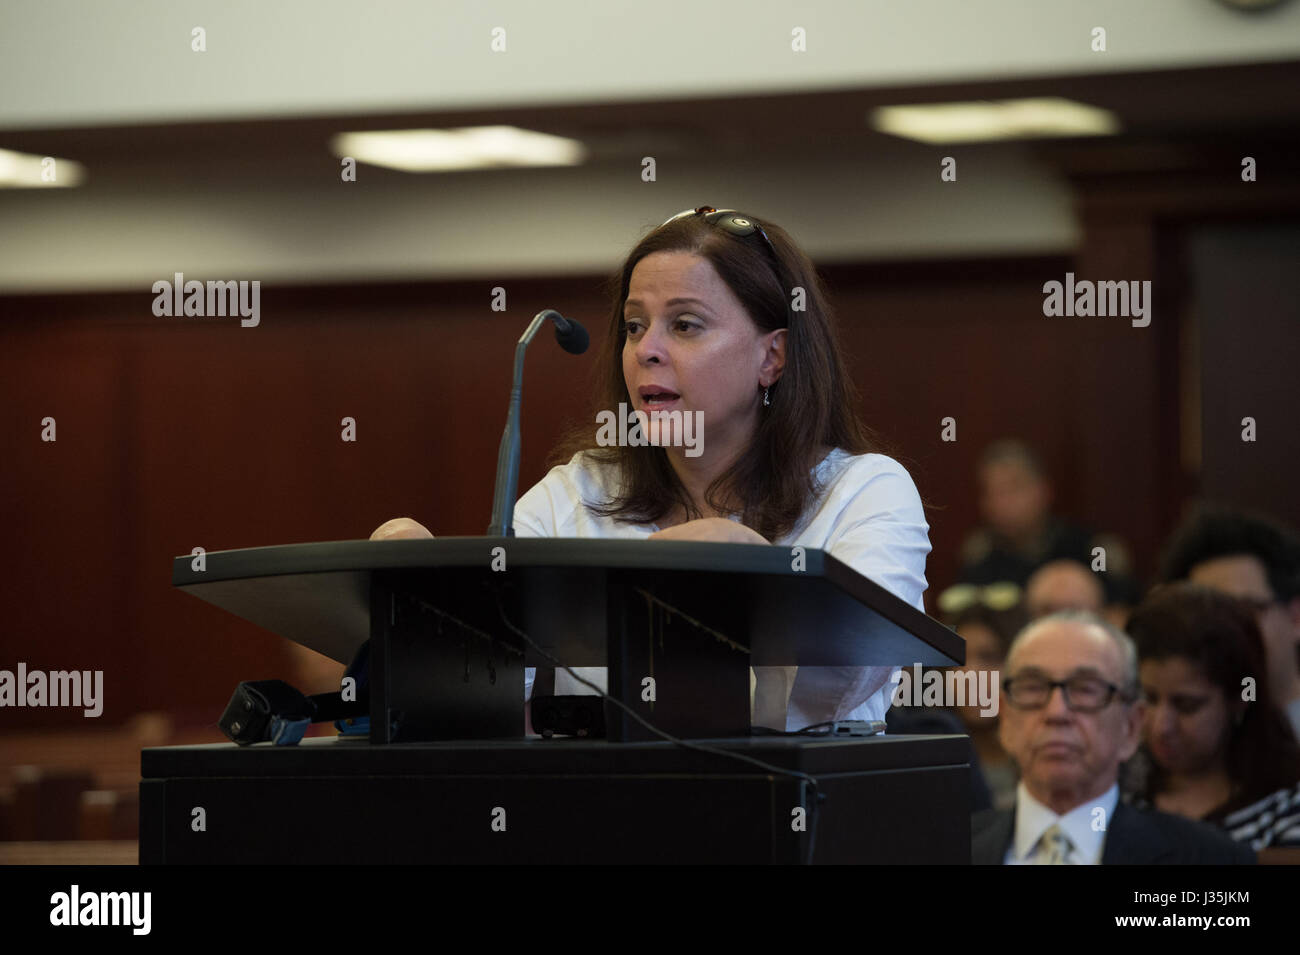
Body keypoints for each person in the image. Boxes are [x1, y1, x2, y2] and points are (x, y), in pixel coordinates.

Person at [371, 205, 932, 732]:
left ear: (772, 356)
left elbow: (843, 676)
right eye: (635, 326)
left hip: (786, 813)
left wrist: (743, 564)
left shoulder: (864, 491)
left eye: (685, 325)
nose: (646, 350)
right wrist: (429, 608)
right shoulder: (576, 491)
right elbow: (490, 679)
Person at [971, 610, 1254, 864]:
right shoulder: (941, 849)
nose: (1056, 712)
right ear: (1005, 720)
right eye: (1032, 688)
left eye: (1086, 689)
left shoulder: (1209, 857)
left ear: (1131, 727)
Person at [1124, 582, 1300, 849]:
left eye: (1186, 706)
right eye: (1148, 698)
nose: (1161, 726)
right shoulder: (1117, 786)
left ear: (1239, 701)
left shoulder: (1286, 805)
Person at [1158, 505, 1300, 740]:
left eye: (1245, 610)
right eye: (1205, 618)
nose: (1227, 632)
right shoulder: (1172, 742)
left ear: (1295, 617)